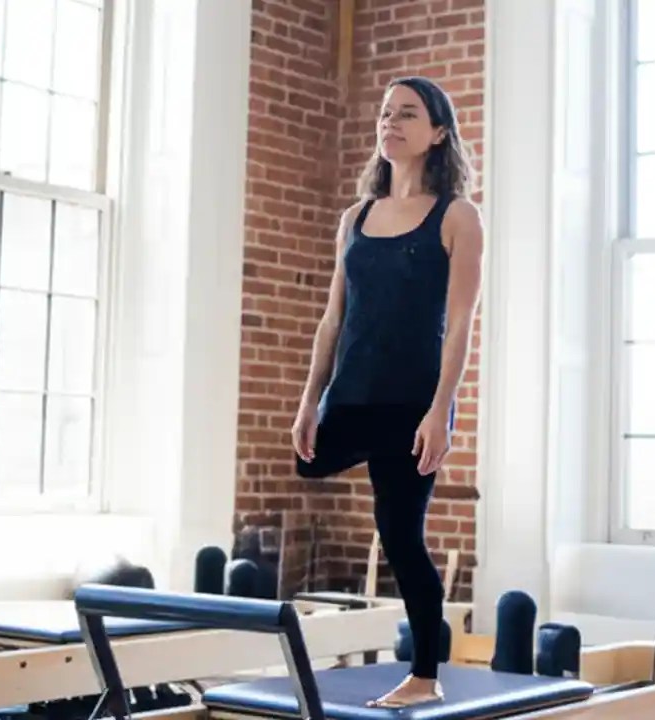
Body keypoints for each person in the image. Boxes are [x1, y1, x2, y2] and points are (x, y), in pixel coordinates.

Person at [289, 75, 483, 708]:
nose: (391, 122)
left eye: (408, 114)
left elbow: (459, 325)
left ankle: (425, 676)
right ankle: (376, 453)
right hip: (353, 391)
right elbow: (331, 319)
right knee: (305, 462)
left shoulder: (457, 216)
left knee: (400, 535)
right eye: (385, 113)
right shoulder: (356, 218)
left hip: (412, 402)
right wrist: (308, 402)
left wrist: (439, 413)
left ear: (437, 133)